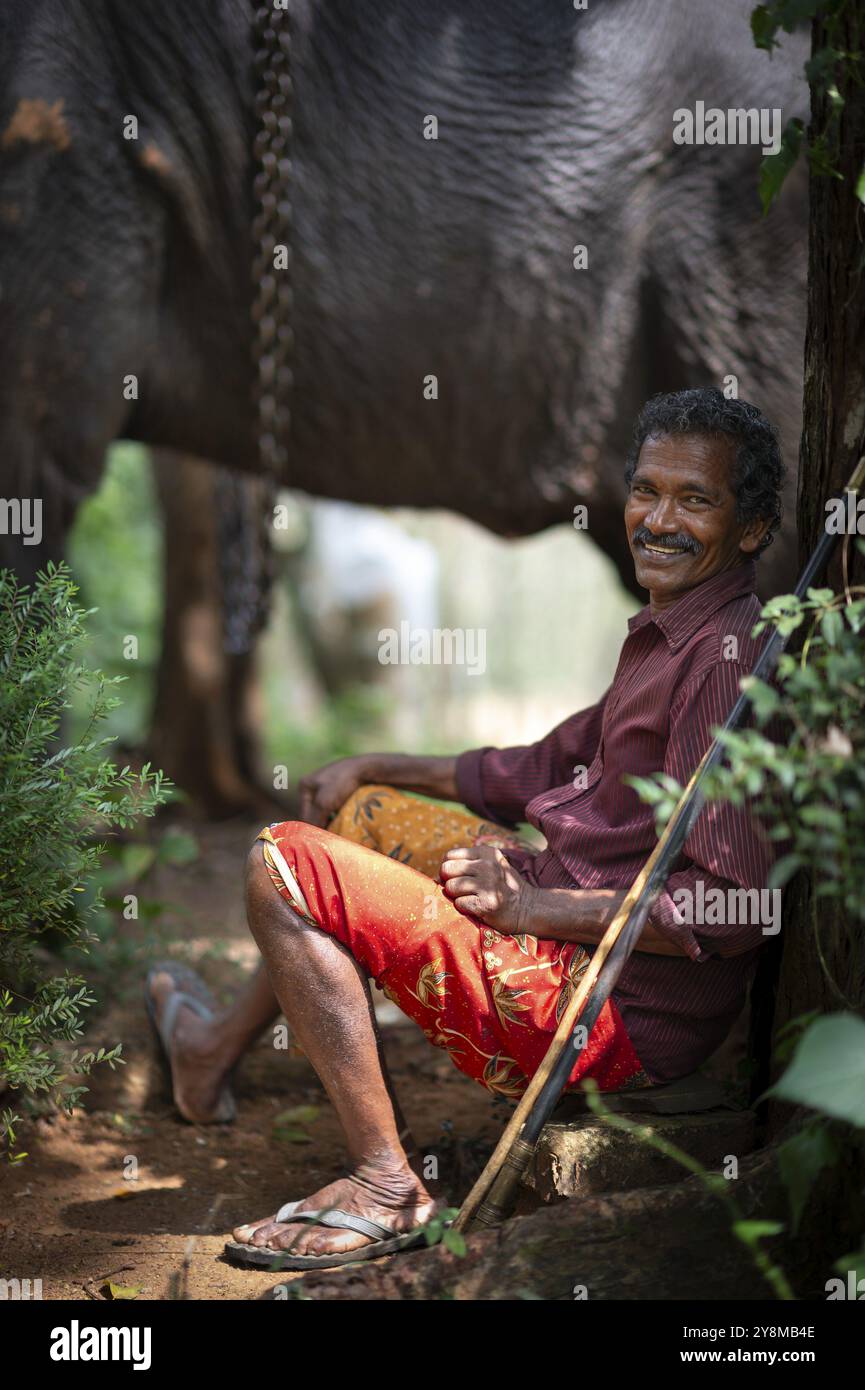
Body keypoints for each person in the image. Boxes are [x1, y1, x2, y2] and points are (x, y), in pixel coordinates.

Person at [147, 386, 785, 1268]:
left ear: (751, 530)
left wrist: (532, 908)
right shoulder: (672, 632)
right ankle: (213, 1052)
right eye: (646, 491)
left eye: (696, 500)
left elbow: (731, 910)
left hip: (607, 1013)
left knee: (282, 866)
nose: (658, 520)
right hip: (567, 939)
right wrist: (377, 764)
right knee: (352, 813)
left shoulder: (723, 664)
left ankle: (383, 1186)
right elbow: (544, 763)